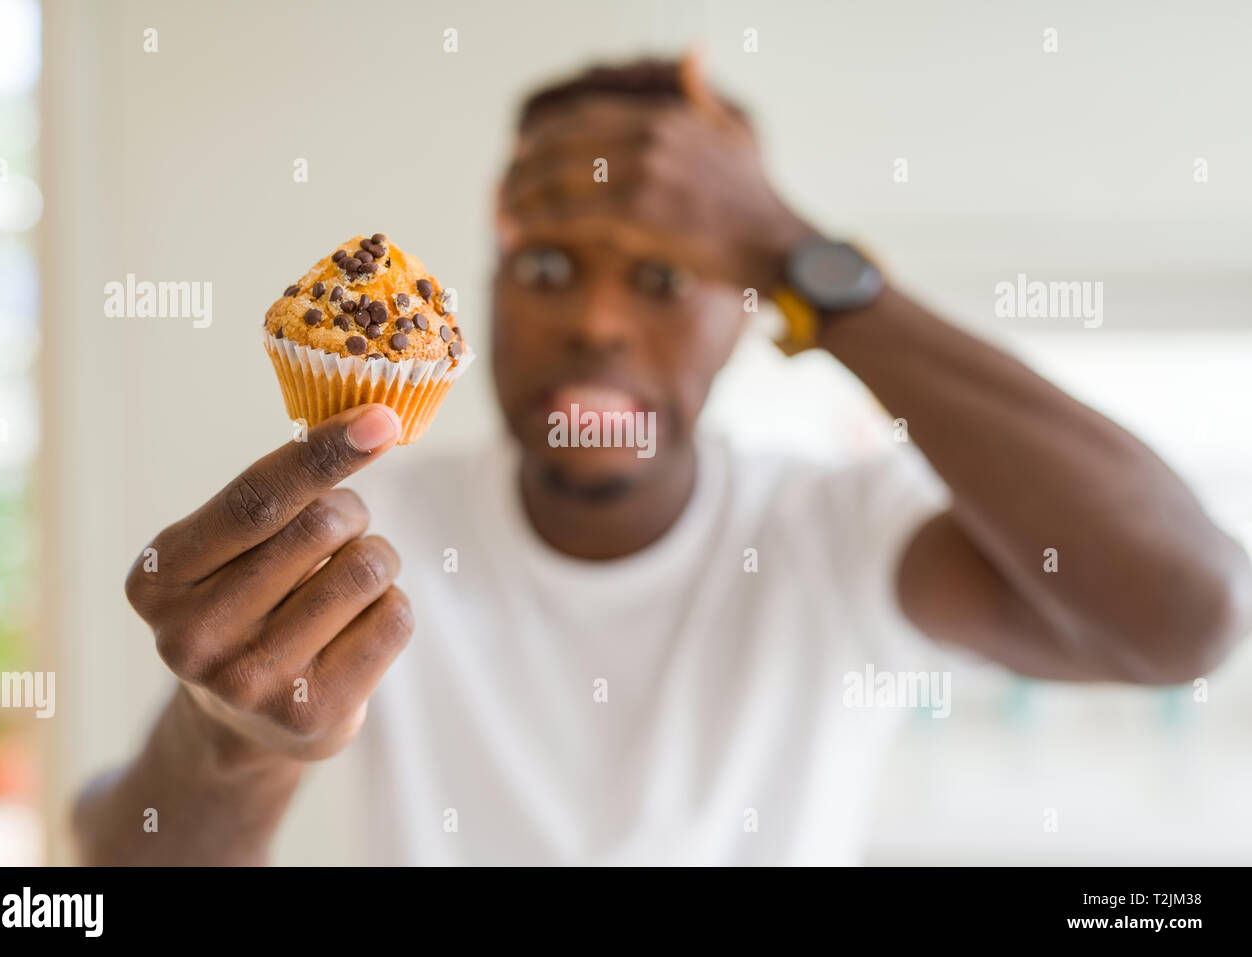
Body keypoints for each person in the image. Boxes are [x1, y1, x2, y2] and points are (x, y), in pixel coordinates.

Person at [73, 56, 1252, 865]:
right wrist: (230, 743)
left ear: (749, 309)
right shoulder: (369, 548)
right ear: (481, 290)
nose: (593, 324)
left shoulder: (835, 537)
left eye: (660, 276)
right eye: (547, 270)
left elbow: (1188, 619)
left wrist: (799, 252)